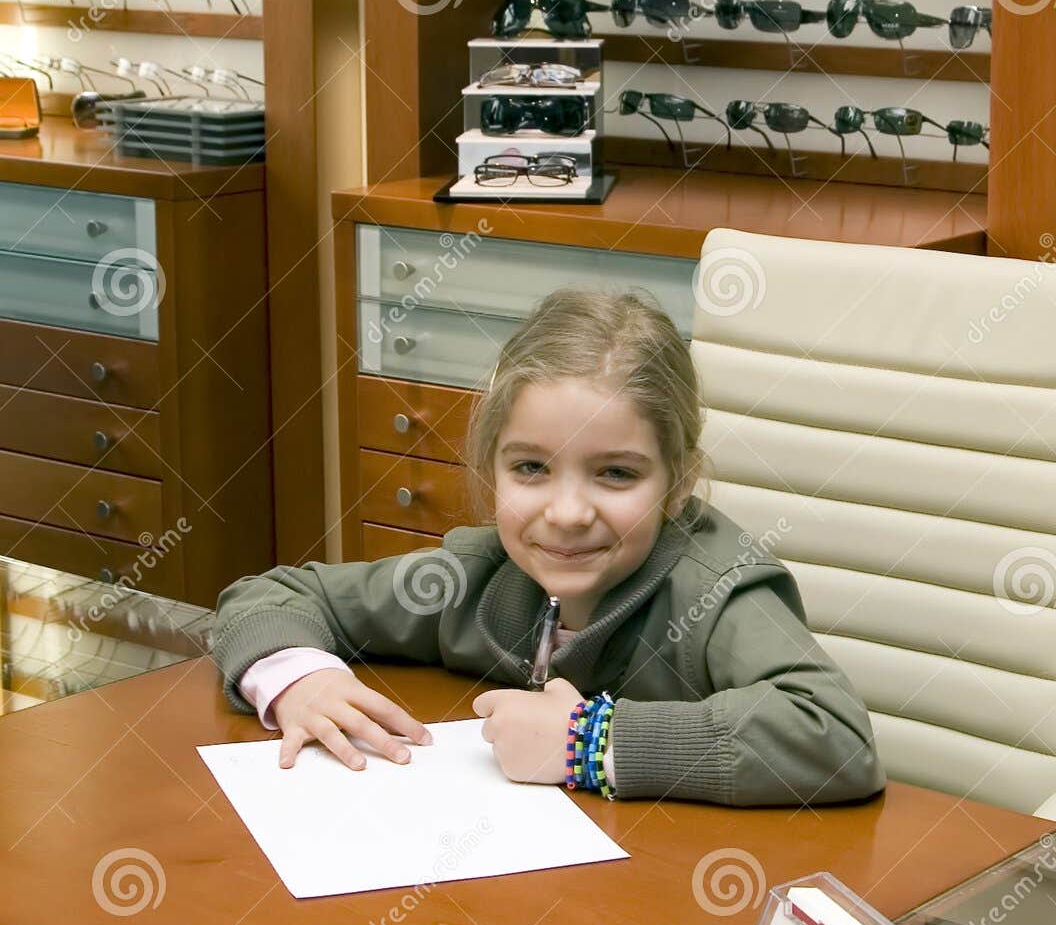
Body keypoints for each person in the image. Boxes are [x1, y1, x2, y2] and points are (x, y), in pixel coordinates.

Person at [212, 289, 884, 807]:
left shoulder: (715, 594)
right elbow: (273, 594)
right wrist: (303, 680)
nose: (565, 514)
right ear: (491, 472)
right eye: (531, 469)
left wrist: (586, 743)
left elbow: (834, 738)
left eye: (616, 473)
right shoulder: (477, 575)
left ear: (678, 482)